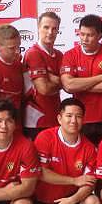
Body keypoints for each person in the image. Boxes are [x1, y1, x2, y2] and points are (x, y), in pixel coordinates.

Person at [30, 98, 102, 204]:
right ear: (59, 118)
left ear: (83, 119)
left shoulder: (89, 148)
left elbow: (89, 183)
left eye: (78, 116)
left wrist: (72, 200)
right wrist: (74, 180)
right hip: (43, 201)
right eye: (69, 116)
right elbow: (40, 173)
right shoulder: (45, 138)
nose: (73, 121)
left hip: (70, 199)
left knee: (93, 202)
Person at [60, 14, 102, 146]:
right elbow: (69, 85)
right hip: (80, 119)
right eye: (82, 34)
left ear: (100, 36)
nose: (85, 39)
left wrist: (81, 84)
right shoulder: (70, 55)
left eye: (90, 35)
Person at [22, 12, 63, 140]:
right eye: (46, 27)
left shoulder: (59, 55)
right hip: (36, 119)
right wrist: (62, 82)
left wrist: (55, 80)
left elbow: (70, 86)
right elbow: (44, 89)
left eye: (54, 28)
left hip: (55, 116)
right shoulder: (33, 53)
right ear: (38, 27)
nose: (50, 32)